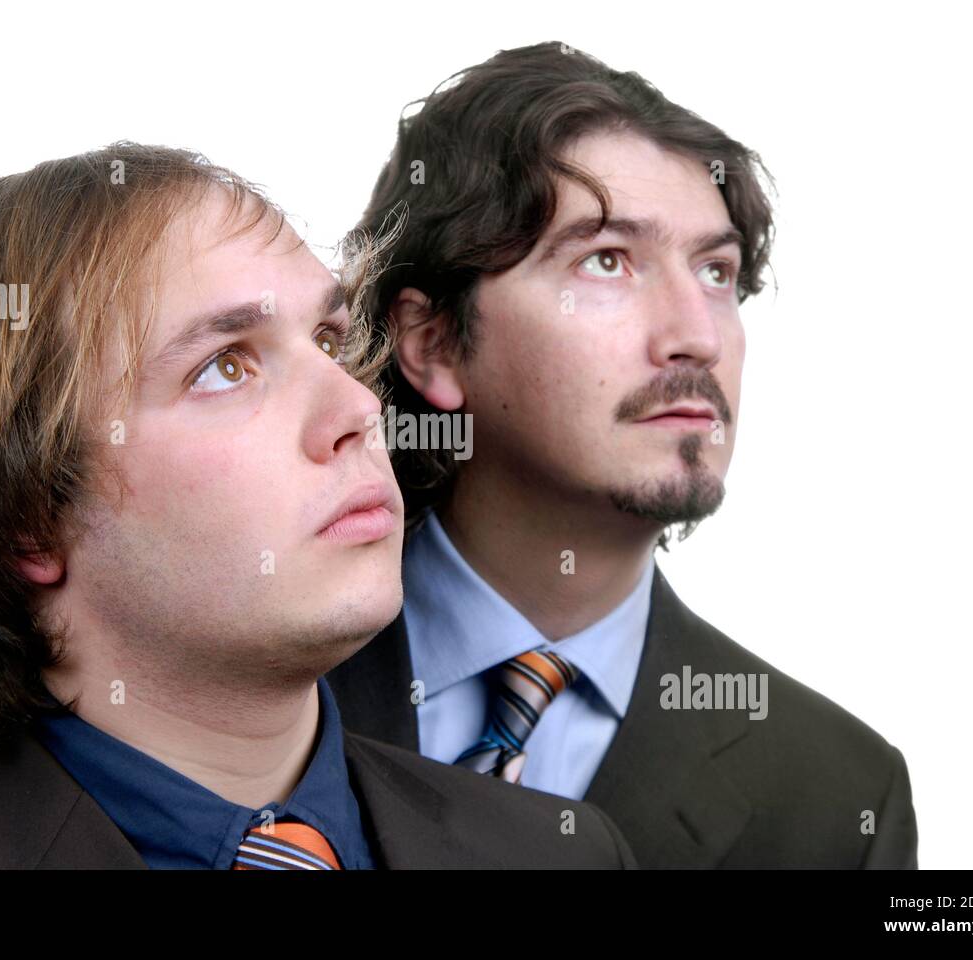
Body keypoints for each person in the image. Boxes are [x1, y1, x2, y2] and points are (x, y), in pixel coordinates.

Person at [0, 143, 634, 870]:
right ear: (26, 521)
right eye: (226, 365)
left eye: (331, 342)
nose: (359, 410)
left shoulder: (565, 854)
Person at [325, 43, 919, 868]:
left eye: (717, 272)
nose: (696, 336)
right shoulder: (229, 674)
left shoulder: (839, 795)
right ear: (431, 343)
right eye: (607, 260)